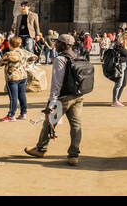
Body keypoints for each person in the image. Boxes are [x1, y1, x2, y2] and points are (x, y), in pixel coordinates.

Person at [25, 33, 85, 166]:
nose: (55, 45)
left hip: (63, 98)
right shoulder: (78, 56)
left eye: (58, 43)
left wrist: (51, 103)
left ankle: (41, 149)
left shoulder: (60, 59)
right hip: (78, 96)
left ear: (63, 45)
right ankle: (74, 155)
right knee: (76, 125)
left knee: (49, 123)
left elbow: (56, 84)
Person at [0, 35, 36, 121]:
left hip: (12, 77)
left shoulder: (8, 54)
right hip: (23, 76)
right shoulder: (23, 52)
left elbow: (0, 63)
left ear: (10, 45)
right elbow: (34, 57)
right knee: (22, 95)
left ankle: (11, 115)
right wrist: (26, 64)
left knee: (13, 97)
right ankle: (23, 113)